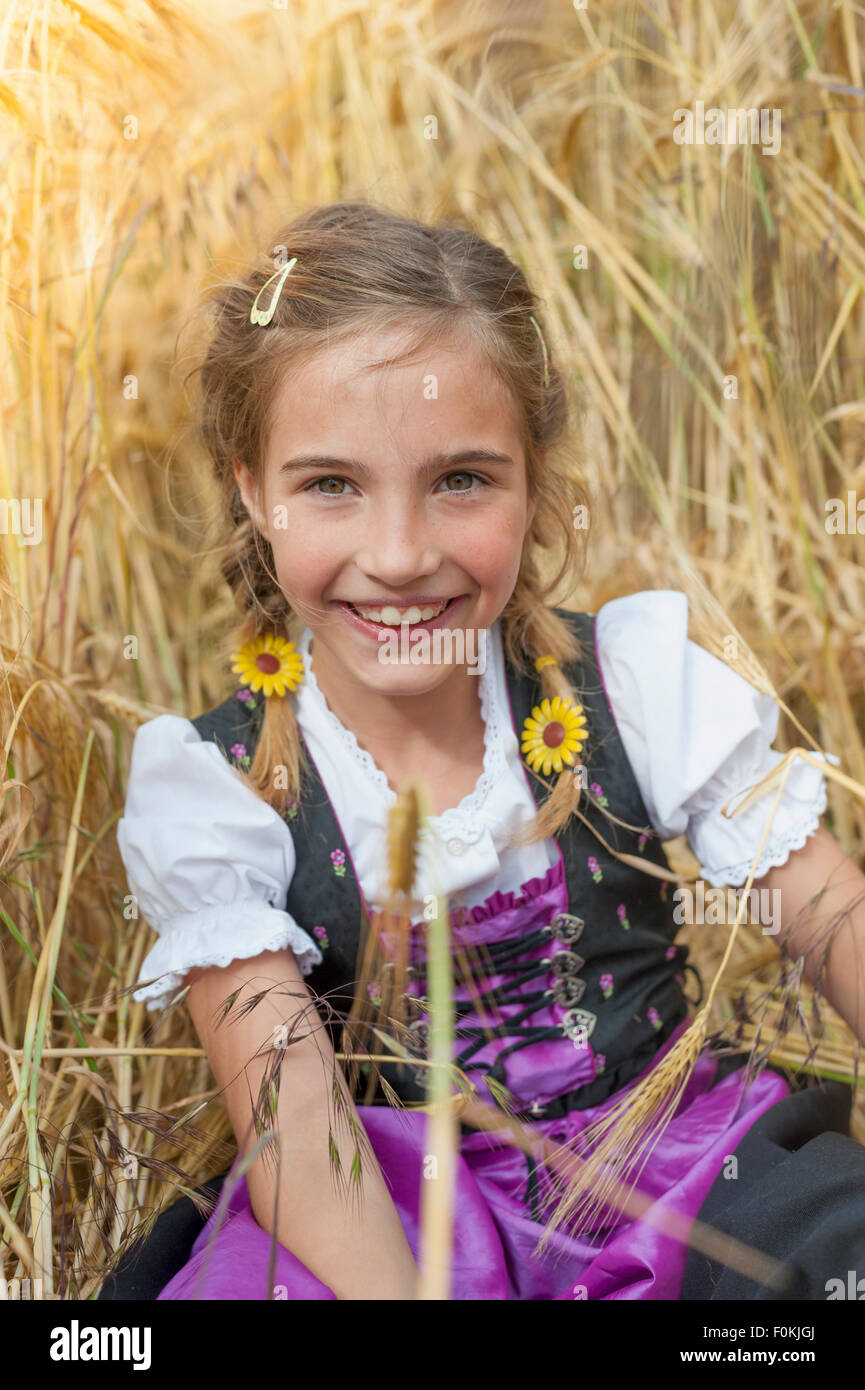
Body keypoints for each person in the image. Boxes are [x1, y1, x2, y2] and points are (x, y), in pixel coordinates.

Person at [115, 200, 865, 1301]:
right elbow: (302, 1146)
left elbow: (833, 923)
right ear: (249, 489)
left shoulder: (628, 683)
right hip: (389, 1206)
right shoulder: (226, 785)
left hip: (684, 1166)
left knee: (835, 1246)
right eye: (330, 483)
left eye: (460, 479)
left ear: (533, 475)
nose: (401, 553)